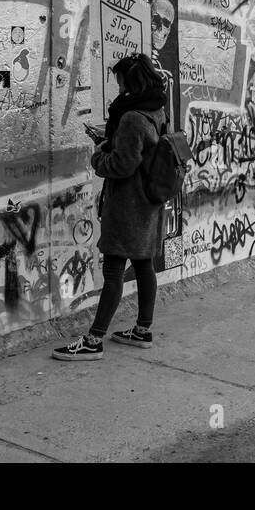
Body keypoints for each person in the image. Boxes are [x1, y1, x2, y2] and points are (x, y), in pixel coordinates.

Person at [53, 53, 167, 361]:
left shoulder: (130, 118)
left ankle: (94, 340)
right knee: (144, 264)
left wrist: (99, 153)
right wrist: (113, 139)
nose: (117, 87)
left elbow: (121, 165)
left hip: (129, 205)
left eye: (119, 81)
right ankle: (143, 329)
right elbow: (141, 148)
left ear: (130, 82)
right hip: (149, 202)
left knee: (114, 268)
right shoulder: (155, 107)